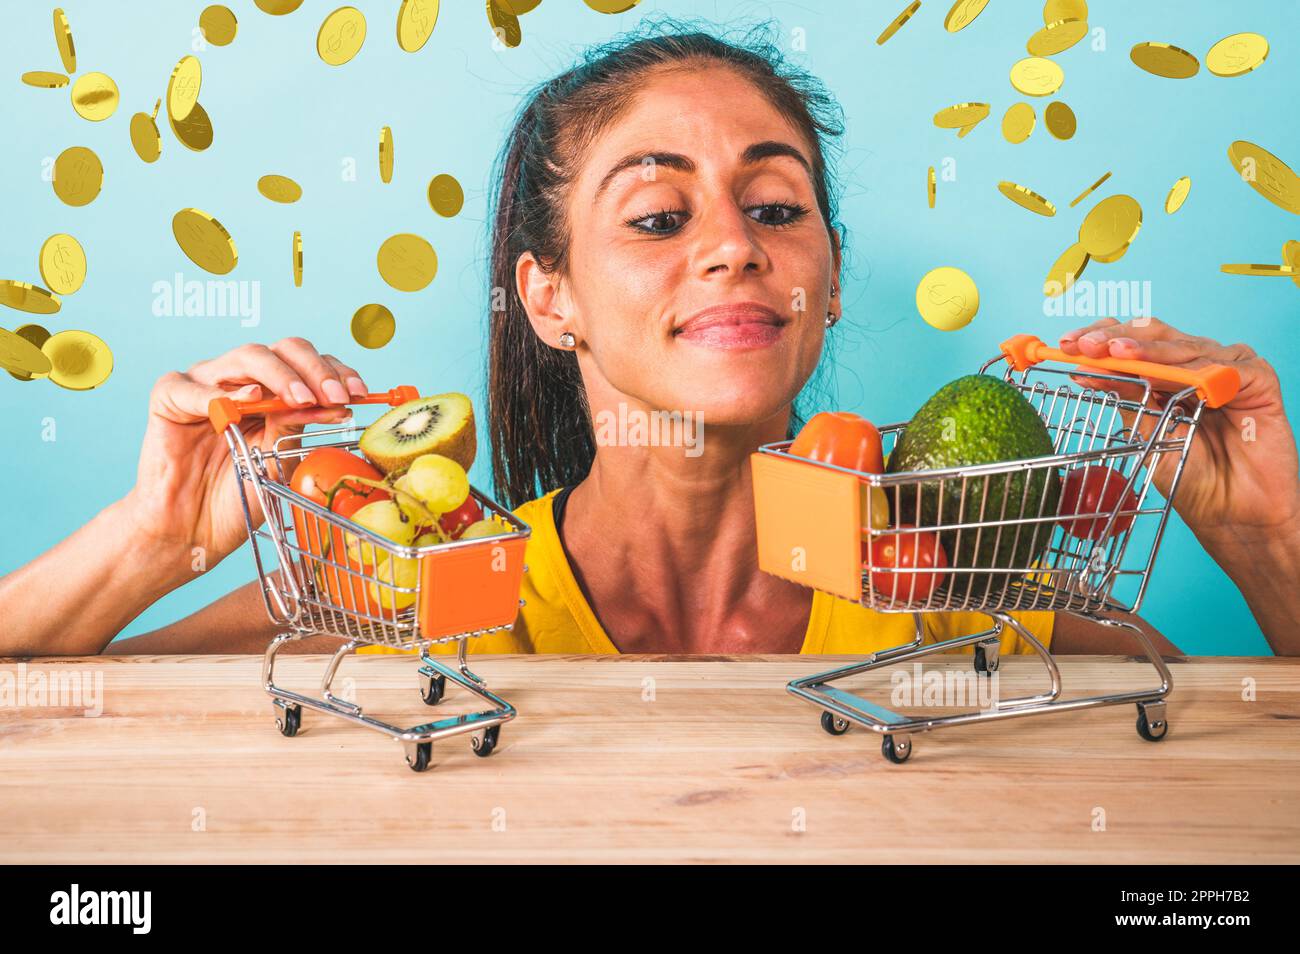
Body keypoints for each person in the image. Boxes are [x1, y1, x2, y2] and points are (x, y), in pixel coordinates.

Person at [2, 26, 1297, 658]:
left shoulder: (958, 606)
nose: (735, 244)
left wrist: (1268, 538)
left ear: (829, 281)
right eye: (661, 213)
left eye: (777, 207)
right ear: (548, 296)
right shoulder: (425, 601)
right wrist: (152, 541)